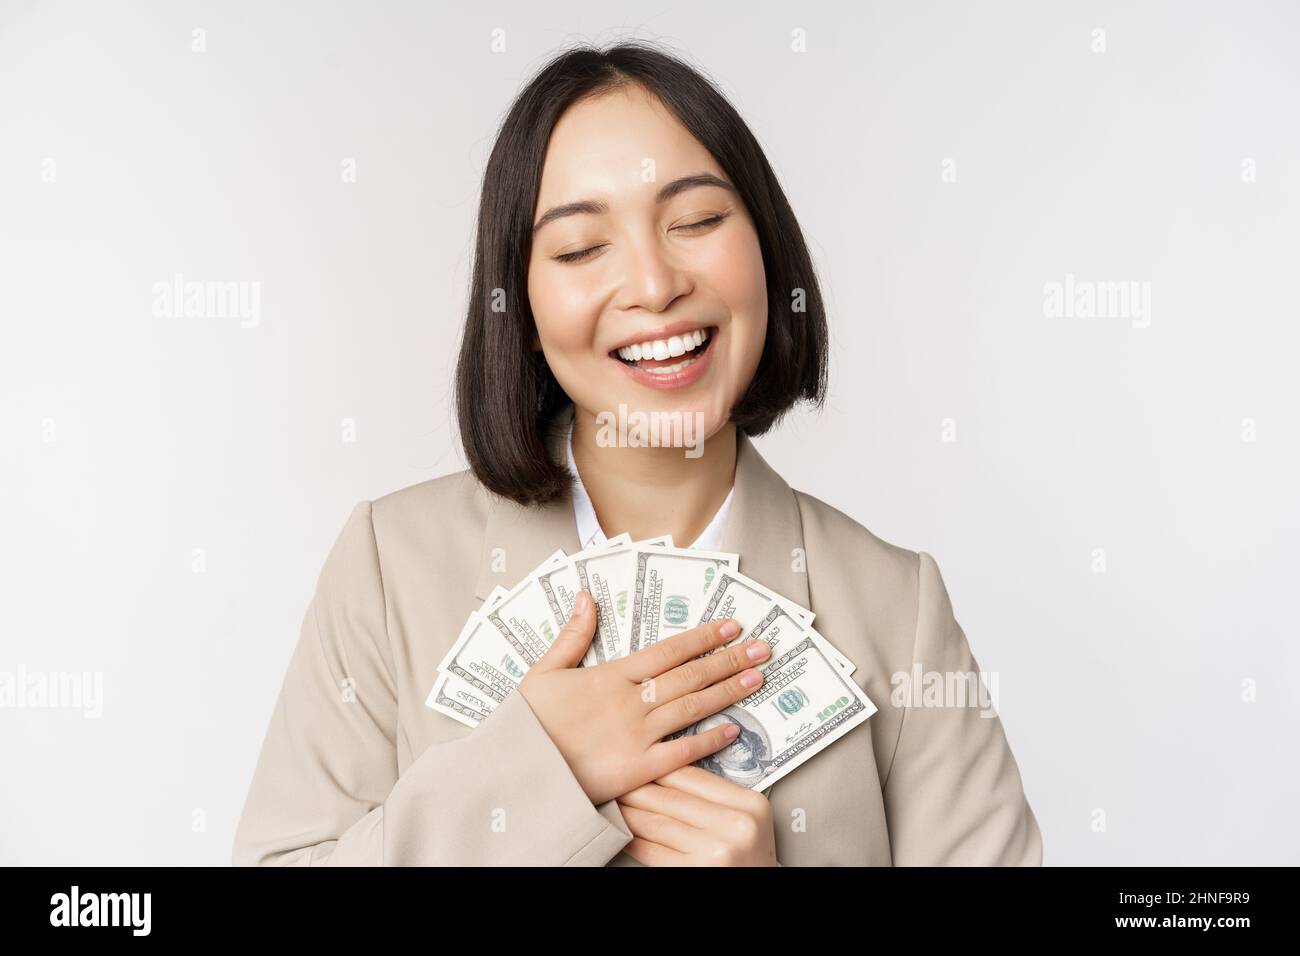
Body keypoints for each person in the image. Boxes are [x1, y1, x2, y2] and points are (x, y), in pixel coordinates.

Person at [232, 40, 1042, 867]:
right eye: (582, 248)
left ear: (766, 244)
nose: (655, 285)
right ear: (522, 302)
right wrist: (540, 773)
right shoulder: (389, 566)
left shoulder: (898, 611)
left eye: (695, 222)